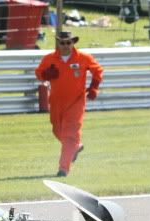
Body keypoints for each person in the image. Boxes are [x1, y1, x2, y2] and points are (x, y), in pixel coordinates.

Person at [35, 31, 103, 178]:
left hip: (76, 102)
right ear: (58, 43)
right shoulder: (49, 59)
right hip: (56, 101)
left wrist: (93, 88)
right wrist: (46, 74)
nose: (65, 46)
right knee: (57, 130)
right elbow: (39, 73)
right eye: (62, 43)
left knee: (69, 136)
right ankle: (76, 147)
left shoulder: (83, 58)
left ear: (73, 43)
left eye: (68, 43)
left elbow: (98, 71)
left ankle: (63, 169)